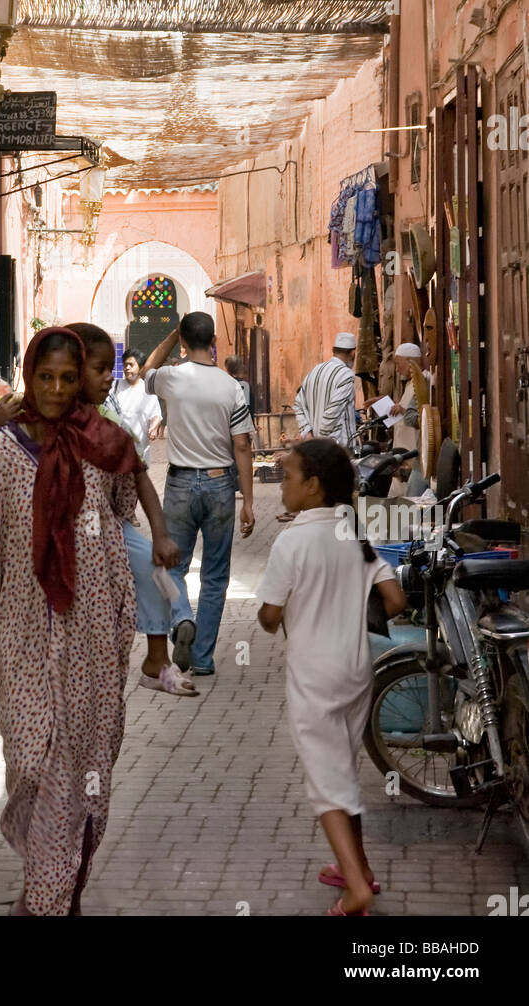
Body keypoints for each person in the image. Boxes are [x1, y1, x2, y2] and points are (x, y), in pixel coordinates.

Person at [0, 322, 196, 710]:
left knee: (156, 571)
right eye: (98, 369)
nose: (106, 379)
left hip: (98, 529)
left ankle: (158, 658)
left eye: (107, 371)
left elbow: (136, 477)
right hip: (23, 531)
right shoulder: (16, 417)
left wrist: (160, 533)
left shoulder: (105, 421)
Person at [0, 327, 140, 916]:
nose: (56, 388)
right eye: (45, 376)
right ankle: (51, 880)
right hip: (22, 625)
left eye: (69, 378)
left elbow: (122, 515)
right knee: (31, 760)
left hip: (94, 625)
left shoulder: (104, 445)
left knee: (84, 762)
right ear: (28, 374)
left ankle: (50, 897)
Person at [257, 439, 406, 916]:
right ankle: (357, 869)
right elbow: (396, 600)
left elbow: (269, 614)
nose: (283, 485)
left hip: (314, 677)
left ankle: (356, 892)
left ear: (313, 485)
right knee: (342, 769)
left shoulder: (292, 541)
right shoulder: (354, 534)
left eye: (289, 476)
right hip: (356, 670)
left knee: (327, 784)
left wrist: (278, 614)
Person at [143, 311, 255, 677]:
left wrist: (171, 337)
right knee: (216, 575)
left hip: (179, 484)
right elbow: (242, 445)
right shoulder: (231, 386)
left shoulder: (171, 377)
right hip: (221, 485)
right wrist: (249, 502)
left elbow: (146, 368)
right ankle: (203, 658)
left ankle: (180, 620)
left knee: (167, 567)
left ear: (184, 340)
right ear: (214, 342)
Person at [293, 332, 359, 450]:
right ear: (353, 353)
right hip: (337, 448)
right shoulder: (346, 374)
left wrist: (307, 433)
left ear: (334, 350)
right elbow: (333, 412)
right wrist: (321, 439)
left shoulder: (315, 371)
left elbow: (298, 405)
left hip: (318, 446)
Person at [386, 342, 429, 497]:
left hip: (414, 451)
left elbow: (422, 415)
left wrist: (403, 410)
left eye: (399, 364)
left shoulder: (423, 381)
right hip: (402, 449)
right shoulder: (410, 384)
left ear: (411, 362)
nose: (397, 369)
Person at [108, 350, 162, 464]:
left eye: (131, 365)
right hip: (115, 450)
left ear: (140, 367)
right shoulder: (114, 386)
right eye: (125, 364)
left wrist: (154, 427)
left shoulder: (147, 390)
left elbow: (156, 414)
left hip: (140, 453)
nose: (127, 368)